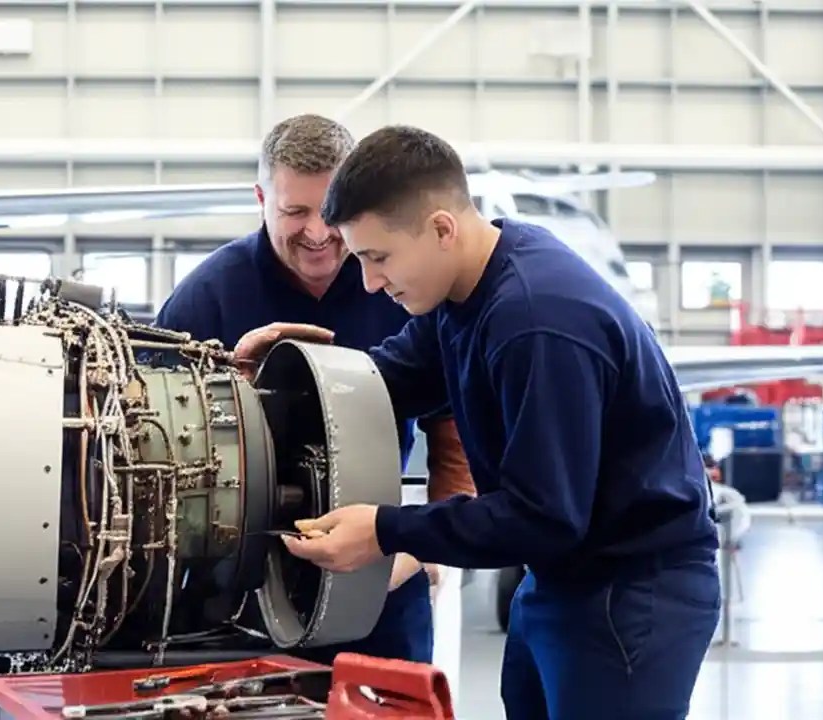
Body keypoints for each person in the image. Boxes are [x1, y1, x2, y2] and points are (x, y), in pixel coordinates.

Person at [231, 125, 722, 719]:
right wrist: (264, 394)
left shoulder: (536, 322)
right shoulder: (464, 291)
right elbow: (386, 380)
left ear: (442, 228)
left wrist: (387, 530)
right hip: (563, 579)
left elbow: (543, 516)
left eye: (378, 257)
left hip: (631, 594)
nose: (369, 283)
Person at [151, 113, 476, 666]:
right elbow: (145, 434)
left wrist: (431, 548)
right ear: (260, 197)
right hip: (237, 591)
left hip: (379, 573)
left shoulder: (402, 280)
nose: (318, 233)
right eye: (294, 211)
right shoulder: (205, 299)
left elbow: (455, 417)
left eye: (329, 213)